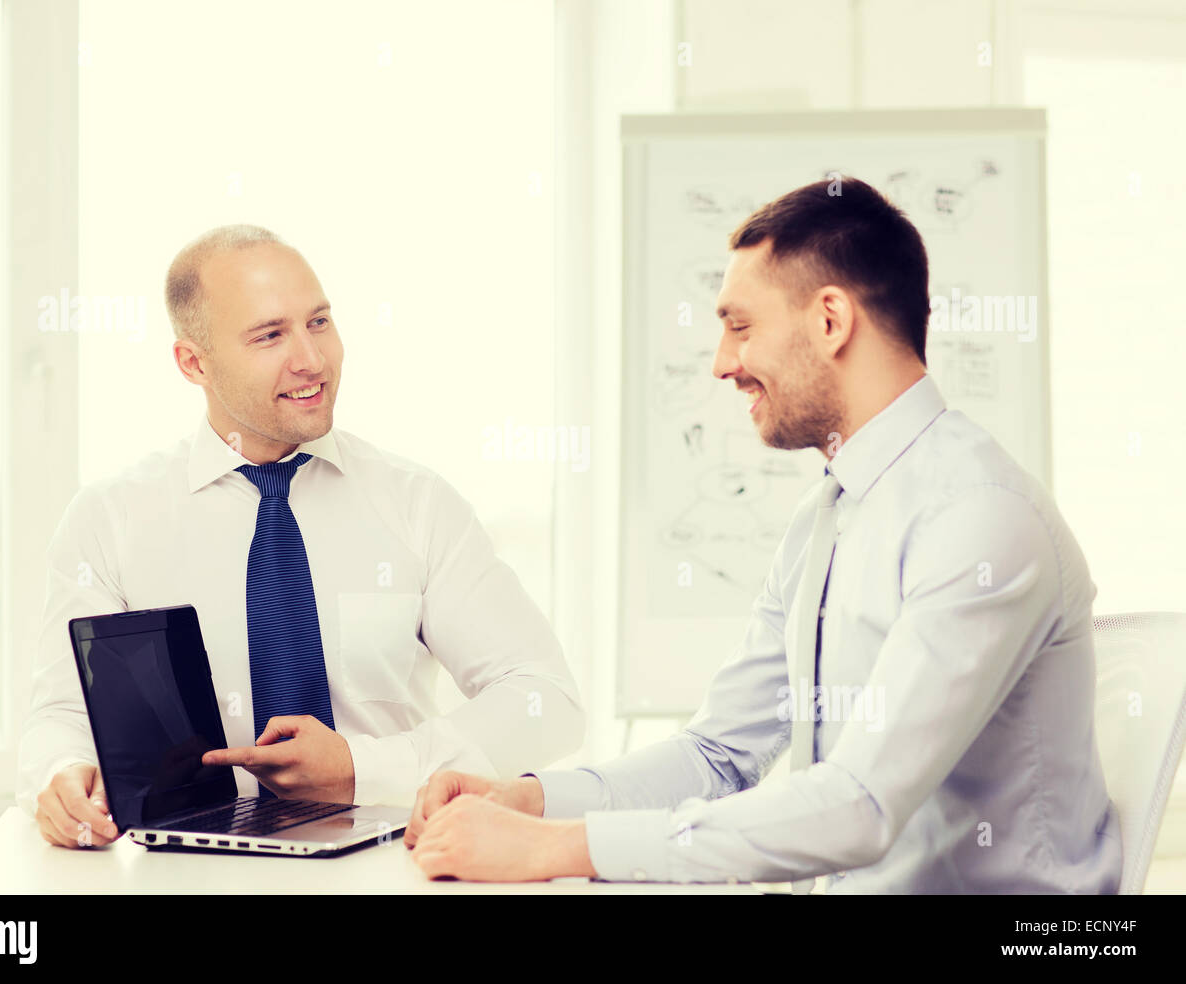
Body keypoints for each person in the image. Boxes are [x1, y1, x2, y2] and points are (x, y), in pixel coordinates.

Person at [403, 177, 1123, 893]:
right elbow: (719, 756)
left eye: (740, 326)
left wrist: (553, 849)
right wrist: (528, 801)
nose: (721, 363)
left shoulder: (978, 518)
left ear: (831, 321)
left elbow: (861, 808)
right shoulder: (826, 518)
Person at [18, 225, 584, 849]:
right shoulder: (110, 519)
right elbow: (65, 715)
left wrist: (361, 769)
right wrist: (61, 776)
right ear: (193, 362)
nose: (311, 359)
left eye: (319, 322)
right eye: (269, 336)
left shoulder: (417, 506)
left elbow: (545, 699)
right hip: (186, 876)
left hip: (390, 869)